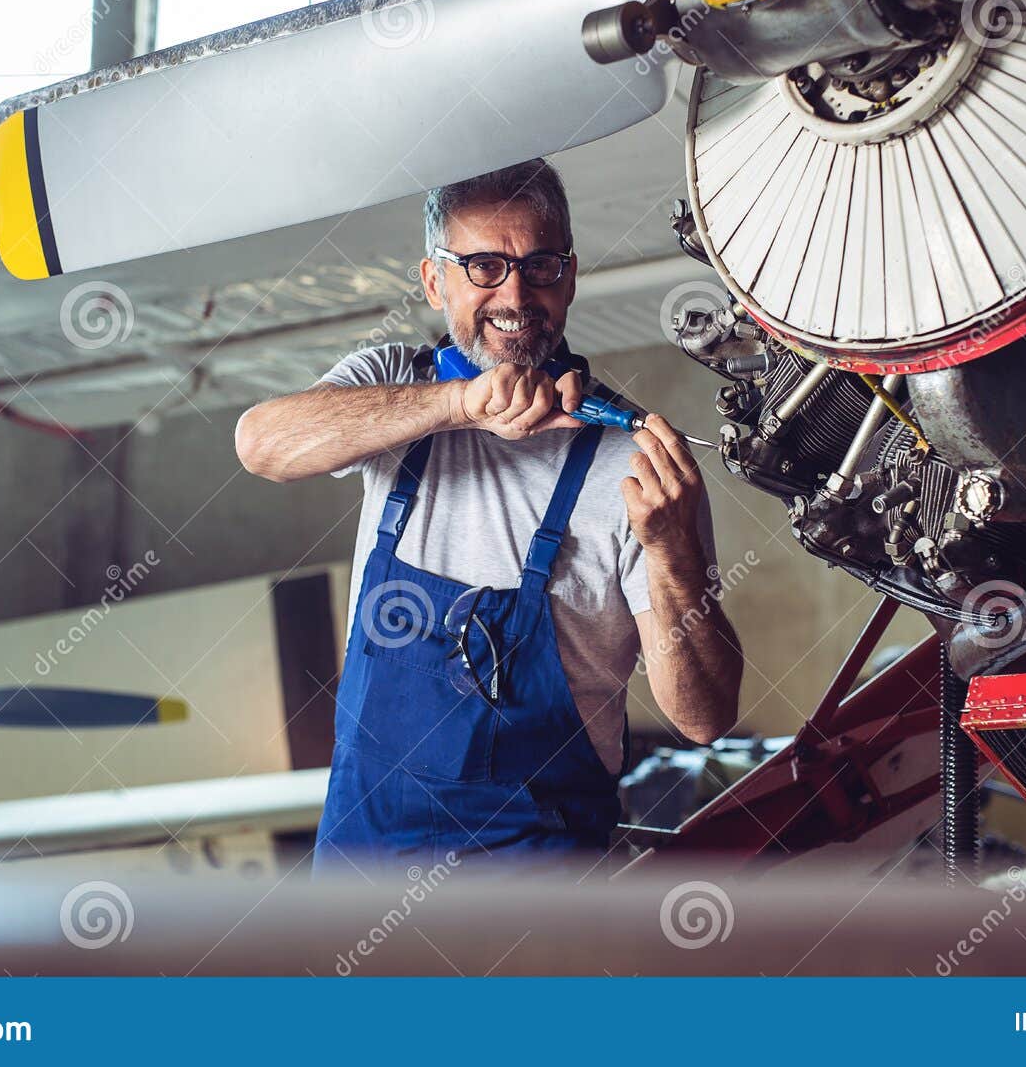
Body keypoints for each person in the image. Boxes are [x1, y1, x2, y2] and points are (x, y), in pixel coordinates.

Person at [235, 158, 742, 875]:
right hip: (361, 868)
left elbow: (704, 717)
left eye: (538, 265)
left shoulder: (633, 468)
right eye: (483, 265)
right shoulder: (392, 388)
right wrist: (458, 405)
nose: (514, 293)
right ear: (434, 280)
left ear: (567, 277)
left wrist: (675, 556)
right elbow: (261, 443)